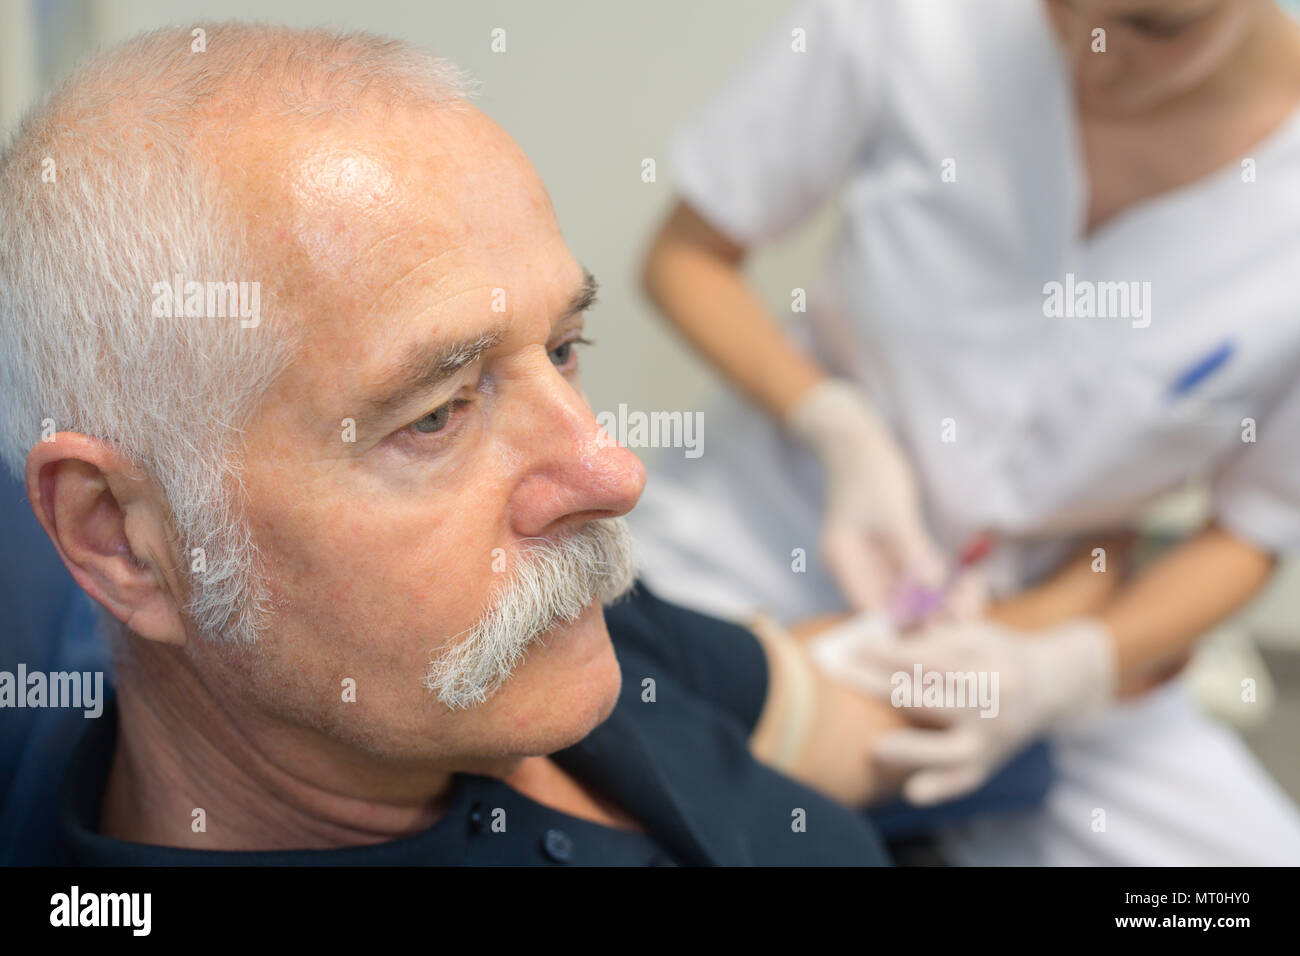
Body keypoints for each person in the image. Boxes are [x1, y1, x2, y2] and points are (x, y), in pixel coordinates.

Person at [0, 22, 930, 866]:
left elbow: (859, 717)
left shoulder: (540, 625)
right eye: (438, 415)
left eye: (563, 350)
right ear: (122, 536)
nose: (612, 473)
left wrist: (1062, 655)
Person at [631, 0, 1300, 864]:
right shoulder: (912, 20)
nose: (1087, 54)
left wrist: (1069, 669)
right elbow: (685, 256)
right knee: (639, 782)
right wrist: (835, 423)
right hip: (762, 540)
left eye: (1151, 27)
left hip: (1049, 630)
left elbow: (1255, 529)